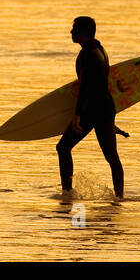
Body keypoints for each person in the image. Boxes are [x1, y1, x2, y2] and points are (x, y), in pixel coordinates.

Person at [56, 16, 124, 198]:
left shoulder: (88, 55)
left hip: (92, 109)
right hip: (105, 108)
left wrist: (78, 116)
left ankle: (67, 192)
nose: (71, 32)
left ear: (83, 33)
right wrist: (110, 119)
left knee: (63, 148)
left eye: (74, 29)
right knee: (111, 156)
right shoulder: (100, 50)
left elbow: (86, 88)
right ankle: (120, 197)